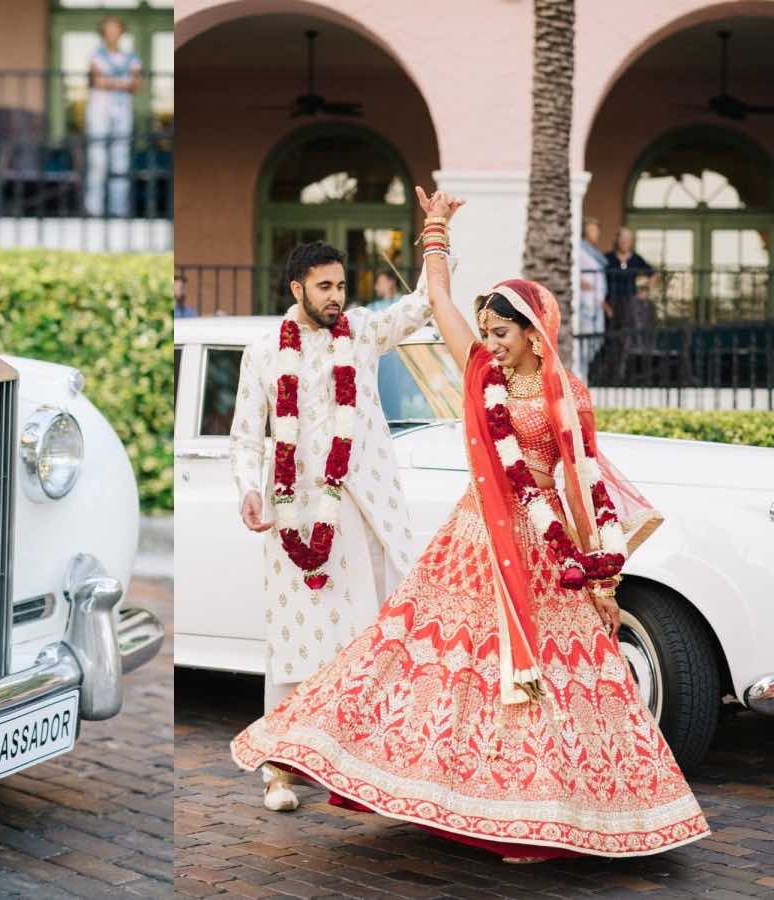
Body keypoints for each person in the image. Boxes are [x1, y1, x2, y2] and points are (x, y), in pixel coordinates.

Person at [231, 188, 709, 861]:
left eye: (503, 334)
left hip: (544, 550)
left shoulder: (564, 393)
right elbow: (441, 305)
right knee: (446, 670)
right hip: (473, 537)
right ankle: (431, 795)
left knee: (550, 679)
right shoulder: (482, 371)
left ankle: (553, 813)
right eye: (487, 334)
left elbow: (583, 478)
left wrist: (597, 568)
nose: (491, 345)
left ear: (534, 331)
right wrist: (433, 231)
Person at [229, 239, 450, 812]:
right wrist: (249, 488)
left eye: (341, 286)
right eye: (324, 287)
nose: (336, 297)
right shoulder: (262, 350)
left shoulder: (362, 335)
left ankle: (362, 768)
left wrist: (436, 235)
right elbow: (247, 434)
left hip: (360, 511)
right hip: (293, 515)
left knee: (362, 638)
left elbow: (421, 305)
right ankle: (279, 769)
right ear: (296, 288)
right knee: (292, 641)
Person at [84, 16, 141, 218]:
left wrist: (111, 81)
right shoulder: (96, 55)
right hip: (99, 110)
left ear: (121, 32)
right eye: (108, 29)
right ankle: (94, 209)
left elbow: (136, 84)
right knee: (97, 158)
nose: (112, 33)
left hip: (122, 111)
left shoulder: (131, 56)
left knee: (121, 159)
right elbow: (98, 81)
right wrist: (122, 82)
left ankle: (119, 209)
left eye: (115, 29)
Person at [604, 227, 654, 383]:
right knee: (610, 340)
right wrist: (605, 306)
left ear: (631, 242)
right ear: (617, 240)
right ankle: (610, 376)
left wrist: (644, 292)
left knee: (628, 340)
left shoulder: (636, 259)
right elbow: (599, 284)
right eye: (622, 238)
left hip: (630, 306)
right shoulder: (608, 258)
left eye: (627, 239)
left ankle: (624, 376)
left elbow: (654, 274)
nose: (624, 241)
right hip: (611, 304)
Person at [576, 218, 608, 380]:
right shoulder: (579, 249)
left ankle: (584, 373)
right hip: (586, 302)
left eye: (597, 229)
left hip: (596, 302)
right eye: (593, 229)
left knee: (595, 339)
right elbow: (574, 267)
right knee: (585, 340)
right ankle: (580, 375)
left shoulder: (593, 252)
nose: (597, 233)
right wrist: (579, 279)